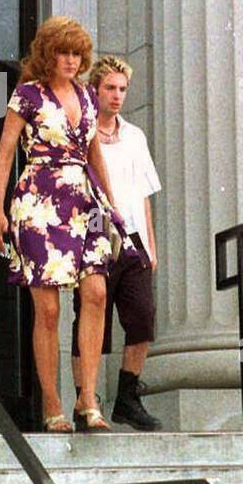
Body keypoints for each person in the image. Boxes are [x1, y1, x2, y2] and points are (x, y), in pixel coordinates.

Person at [0, 16, 137, 433]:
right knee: (49, 308)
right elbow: (4, 155)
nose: (71, 60)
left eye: (76, 53)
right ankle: (52, 406)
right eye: (63, 52)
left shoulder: (89, 98)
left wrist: (112, 207)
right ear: (47, 54)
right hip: (38, 199)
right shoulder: (27, 95)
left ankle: (88, 400)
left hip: (84, 200)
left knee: (95, 292)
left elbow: (96, 156)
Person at [70, 56, 163, 431]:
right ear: (95, 89)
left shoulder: (135, 136)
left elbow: (143, 195)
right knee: (93, 320)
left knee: (142, 317)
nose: (117, 95)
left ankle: (128, 397)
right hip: (94, 234)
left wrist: (150, 246)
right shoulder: (82, 131)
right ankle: (84, 400)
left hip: (133, 239)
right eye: (110, 87)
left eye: (122, 89)